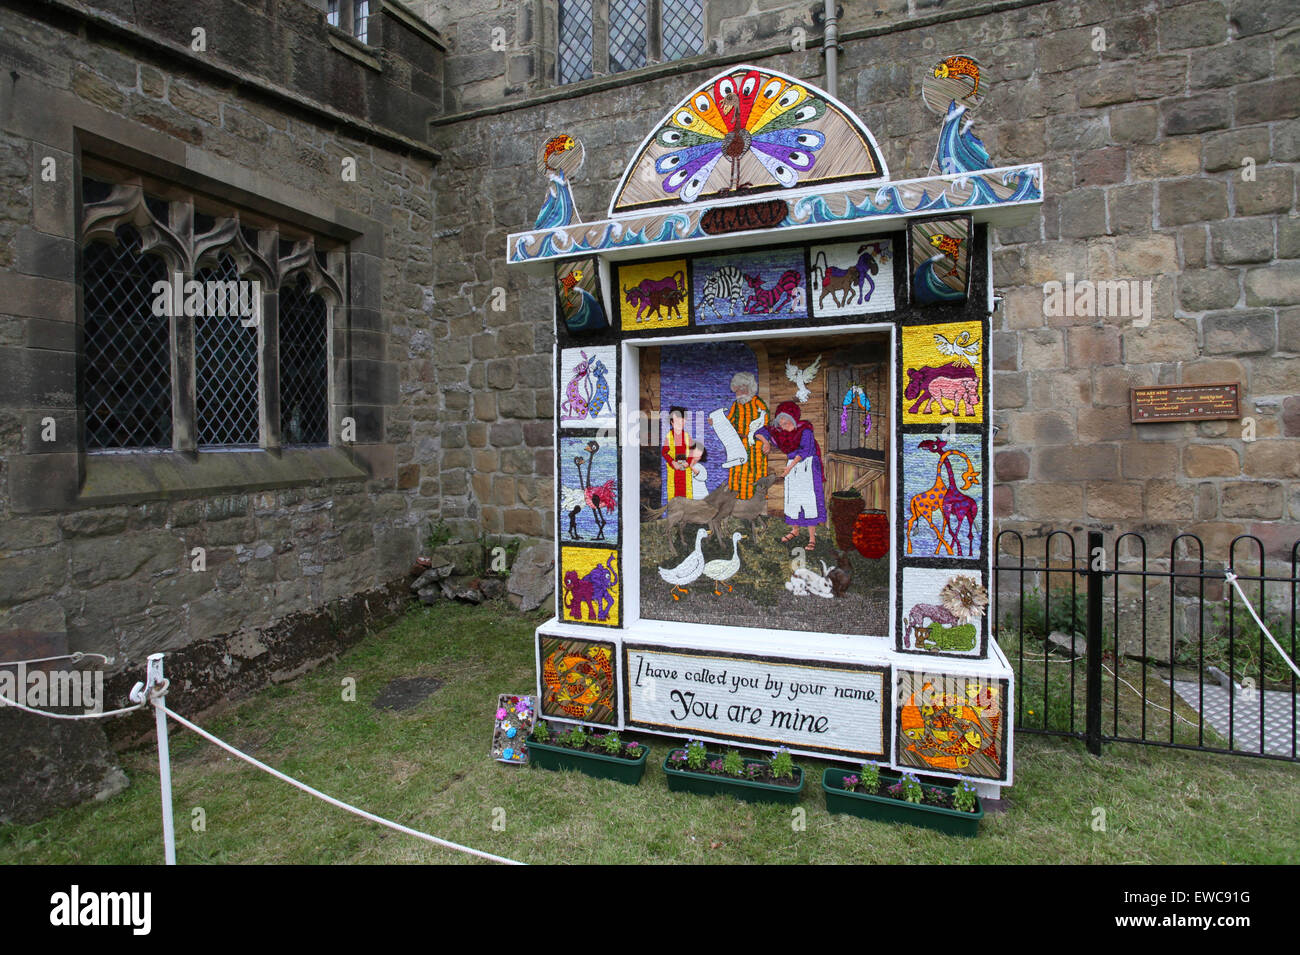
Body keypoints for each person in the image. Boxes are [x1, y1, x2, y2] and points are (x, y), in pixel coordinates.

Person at [756, 401, 825, 550]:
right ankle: (795, 530)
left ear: (792, 418)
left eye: (785, 418)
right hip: (792, 465)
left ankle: (812, 538)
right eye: (780, 418)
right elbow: (760, 432)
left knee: (808, 501)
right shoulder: (779, 431)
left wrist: (789, 468)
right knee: (792, 498)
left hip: (807, 466)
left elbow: (804, 452)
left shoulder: (805, 431)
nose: (781, 422)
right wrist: (765, 443)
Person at [724, 371, 768, 501]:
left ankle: (755, 502)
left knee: (754, 473)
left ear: (748, 388)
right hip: (739, 445)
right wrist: (716, 421)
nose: (737, 394)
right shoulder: (736, 405)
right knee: (737, 473)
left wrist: (765, 442)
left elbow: (765, 425)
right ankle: (736, 501)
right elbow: (729, 422)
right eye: (736, 390)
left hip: (755, 445)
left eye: (739, 390)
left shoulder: (758, 403)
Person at [661, 406, 702, 500]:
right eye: (677, 421)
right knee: (674, 495)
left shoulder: (687, 436)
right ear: (672, 422)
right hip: (674, 470)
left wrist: (688, 461)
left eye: (682, 421)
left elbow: (692, 451)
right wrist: (672, 462)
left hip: (686, 470)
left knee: (687, 495)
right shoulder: (669, 436)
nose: (680, 424)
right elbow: (664, 452)